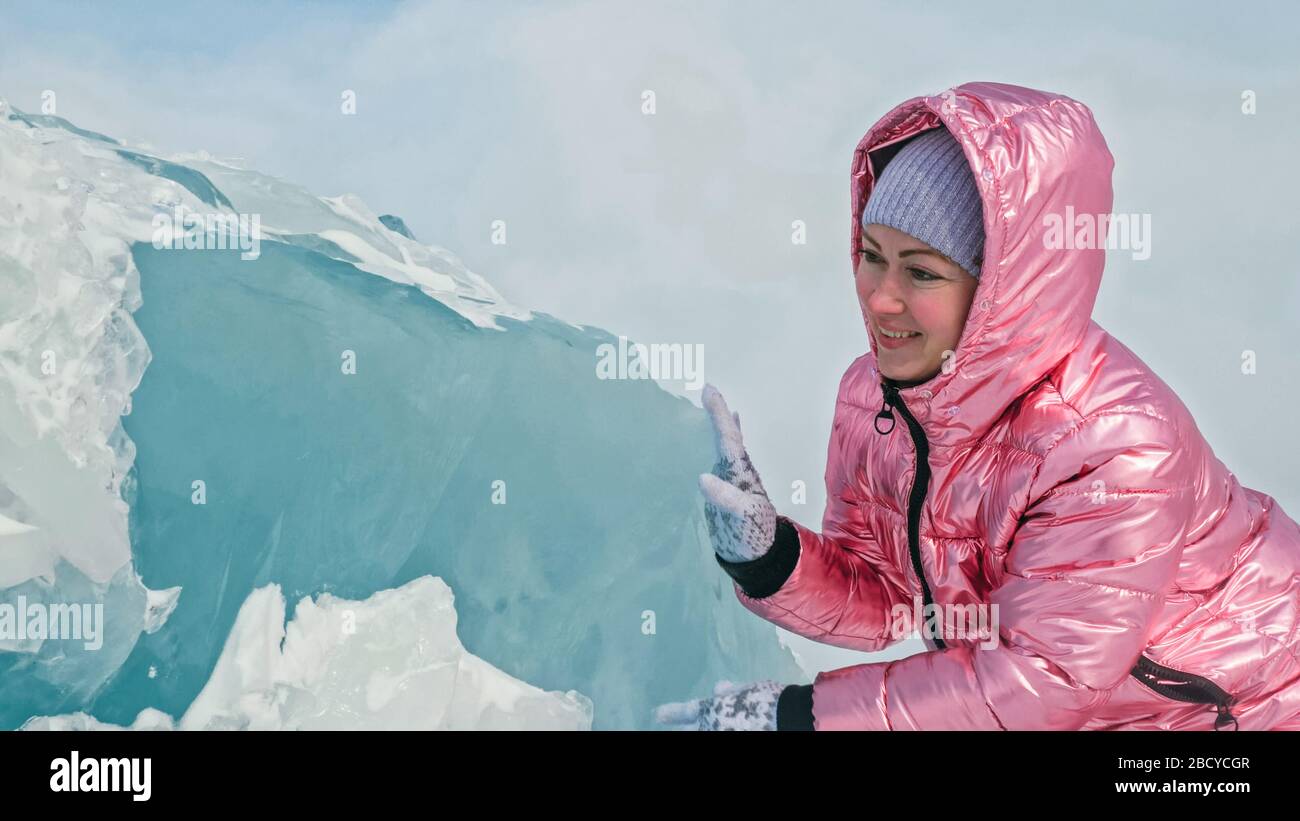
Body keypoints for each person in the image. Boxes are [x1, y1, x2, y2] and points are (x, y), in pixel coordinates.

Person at [654, 81, 1300, 731]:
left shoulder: (1116, 444)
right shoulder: (876, 398)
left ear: (1001, 286)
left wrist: (800, 716)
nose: (880, 298)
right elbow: (891, 603)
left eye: (922, 271)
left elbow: (1041, 681)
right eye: (872, 257)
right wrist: (770, 557)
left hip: (1250, 707)